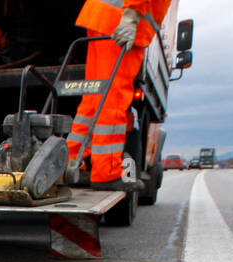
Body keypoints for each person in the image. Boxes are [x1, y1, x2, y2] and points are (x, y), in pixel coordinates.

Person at [67, 0, 170, 190]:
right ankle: (107, 173)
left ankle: (68, 162)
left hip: (103, 18)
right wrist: (131, 15)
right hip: (121, 22)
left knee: (94, 98)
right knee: (112, 99)